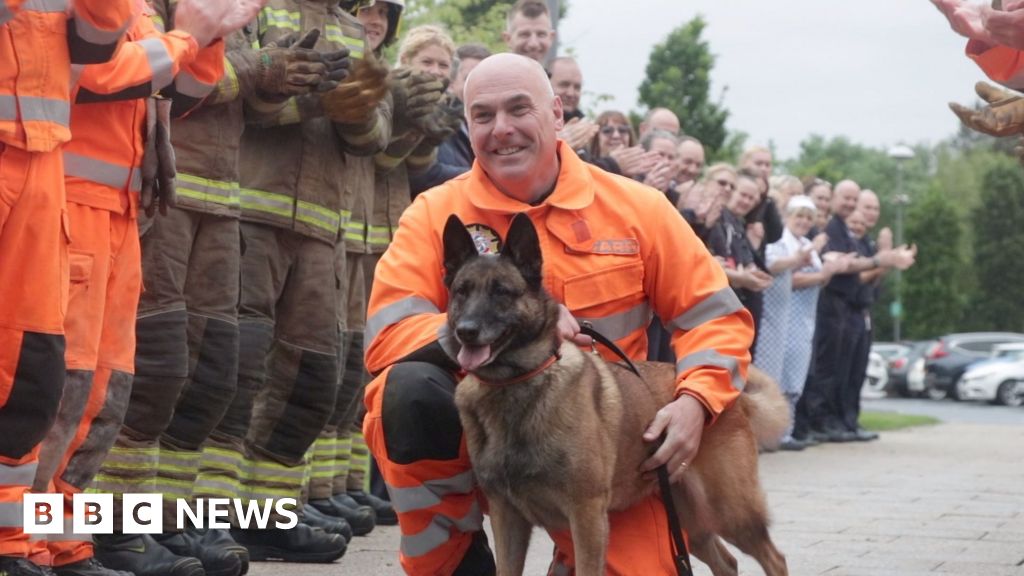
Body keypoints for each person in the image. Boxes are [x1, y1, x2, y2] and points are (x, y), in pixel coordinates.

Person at [361, 53, 754, 575]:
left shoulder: (638, 209)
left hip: (606, 450)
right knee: (403, 392)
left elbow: (714, 317)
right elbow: (388, 331)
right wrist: (489, 326)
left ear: (557, 113)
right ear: (468, 125)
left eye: (518, 109)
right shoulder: (435, 214)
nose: (502, 130)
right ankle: (454, 563)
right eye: (482, 116)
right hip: (481, 437)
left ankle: (573, 557)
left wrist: (696, 402)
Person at [0, 3, 134, 575]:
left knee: (39, 375)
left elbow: (99, 37)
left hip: (41, 160)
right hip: (67, 181)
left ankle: (27, 540)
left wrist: (198, 41)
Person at [794, 180, 915, 444]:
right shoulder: (833, 230)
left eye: (854, 200)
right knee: (828, 369)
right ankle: (821, 421)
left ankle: (842, 420)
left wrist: (884, 260)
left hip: (853, 309)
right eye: (846, 199)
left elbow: (865, 277)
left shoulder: (854, 236)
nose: (850, 205)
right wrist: (883, 259)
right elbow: (846, 271)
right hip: (833, 305)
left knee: (848, 371)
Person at [409, 43, 492, 196]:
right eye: (470, 78)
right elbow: (424, 175)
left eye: (489, 79)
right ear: (452, 82)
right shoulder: (436, 118)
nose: (481, 85)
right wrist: (488, 177)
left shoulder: (494, 126)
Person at [549, 56, 598, 153]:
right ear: (546, 83)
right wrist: (552, 145)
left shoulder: (584, 132)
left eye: (577, 87)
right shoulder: (532, 123)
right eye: (564, 85)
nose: (571, 93)